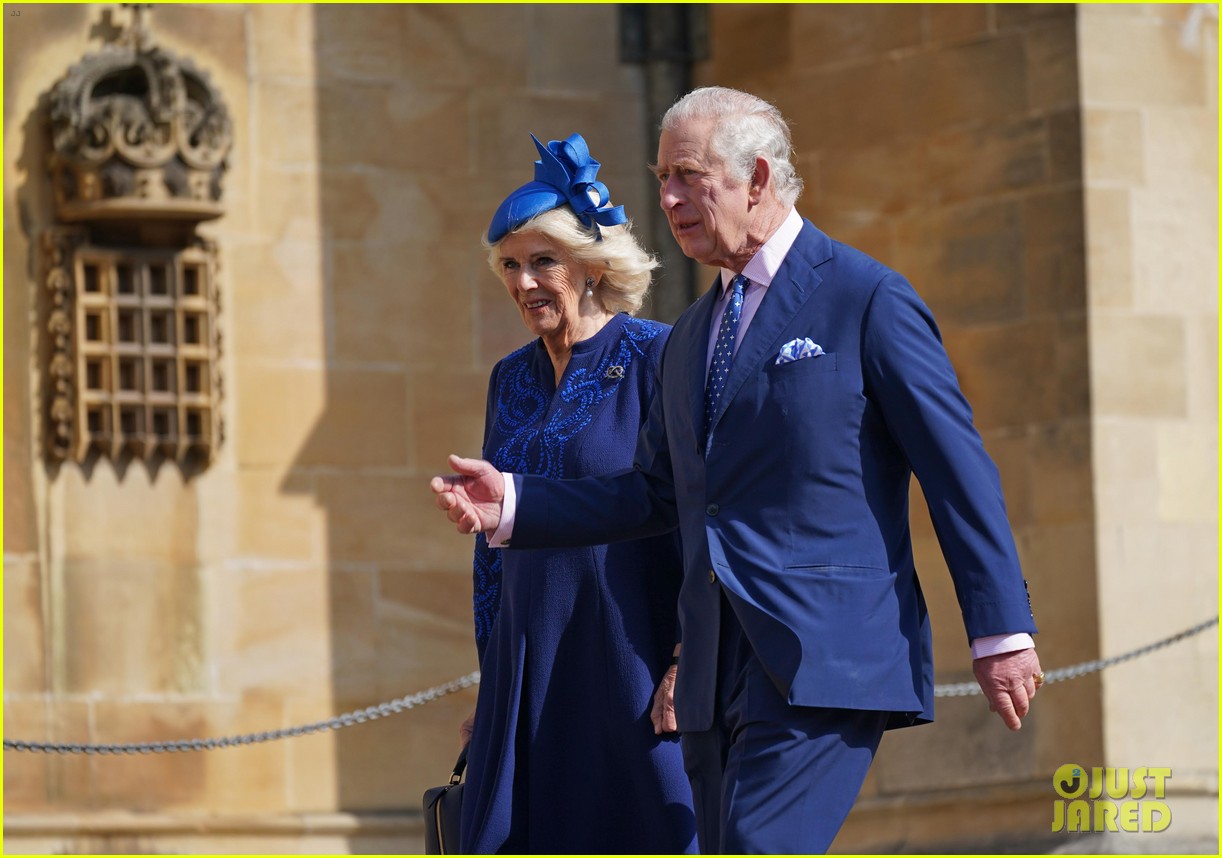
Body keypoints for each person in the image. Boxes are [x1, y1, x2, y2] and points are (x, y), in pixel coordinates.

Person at [433, 89, 1043, 854]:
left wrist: (1001, 631)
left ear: (757, 179)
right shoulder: (692, 335)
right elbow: (654, 494)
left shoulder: (864, 297)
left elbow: (957, 469)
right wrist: (516, 506)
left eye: (688, 176)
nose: (668, 198)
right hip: (716, 675)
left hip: (824, 654)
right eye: (662, 179)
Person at [455, 132, 697, 855]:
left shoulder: (658, 354)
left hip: (630, 655)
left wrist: (691, 660)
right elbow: (492, 547)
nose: (524, 282)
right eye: (510, 266)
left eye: (542, 262)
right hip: (529, 661)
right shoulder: (510, 378)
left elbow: (696, 518)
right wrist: (492, 679)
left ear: (591, 266)